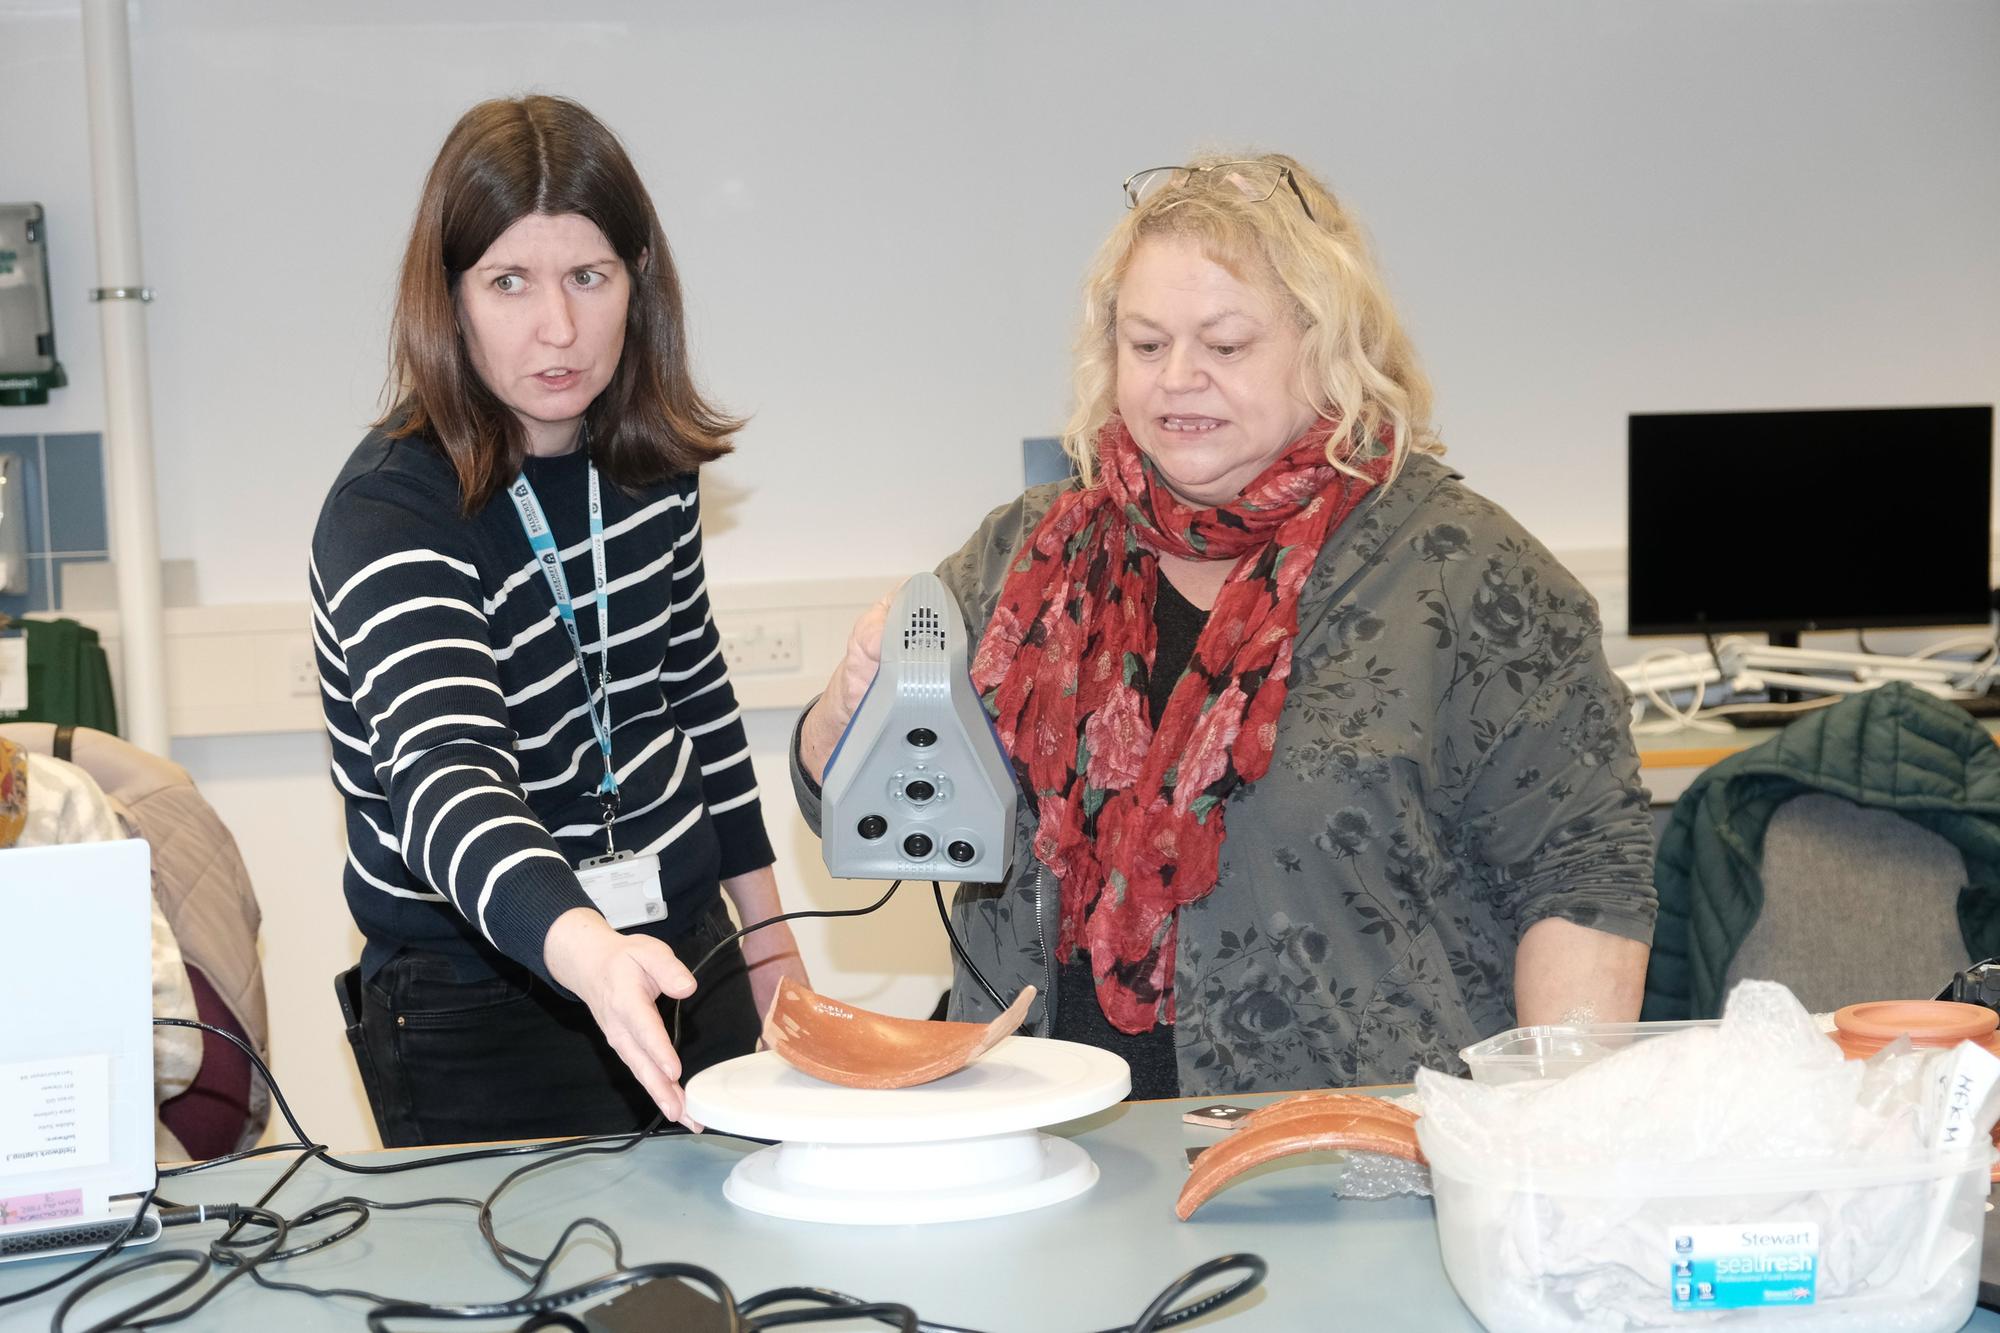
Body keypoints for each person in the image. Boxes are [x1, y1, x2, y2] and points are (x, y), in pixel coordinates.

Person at [793, 155, 1654, 1097]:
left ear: (1327, 349)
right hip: (1036, 1136)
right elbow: (854, 801)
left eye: (1226, 345)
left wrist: (1549, 1145)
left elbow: (1585, 878)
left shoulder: (1467, 576)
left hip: (1344, 1155)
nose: (1178, 380)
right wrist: (844, 710)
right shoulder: (1025, 554)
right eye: (1147, 344)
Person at [312, 95, 806, 1146]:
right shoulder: (390, 512)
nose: (559, 329)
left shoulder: (649, 466)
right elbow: (447, 775)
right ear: (448, 301)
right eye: (509, 283)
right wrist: (588, 948)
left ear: (638, 279)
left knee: (710, 1305)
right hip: (483, 1006)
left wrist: (767, 949)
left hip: (681, 954)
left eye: (589, 277)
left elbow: (696, 710)